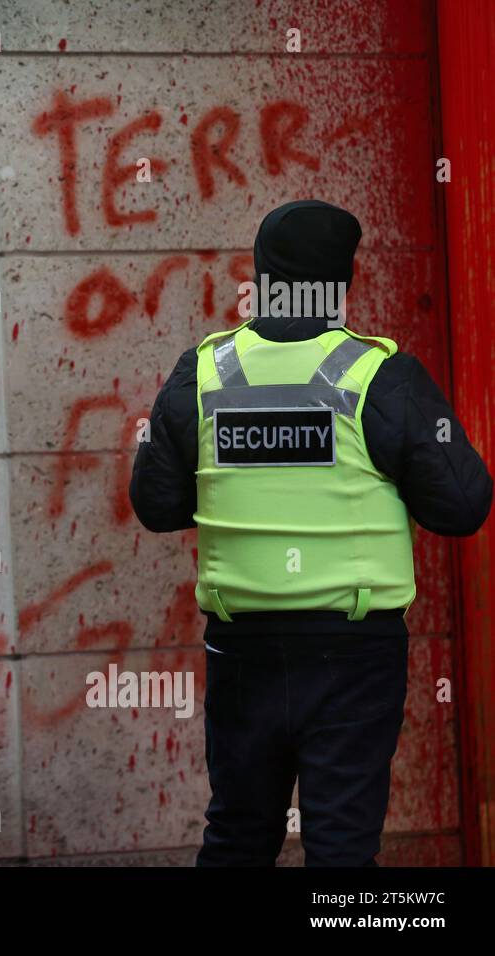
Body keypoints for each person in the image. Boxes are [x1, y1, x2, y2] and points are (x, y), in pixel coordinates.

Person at [128, 199, 492, 866]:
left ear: (262, 276)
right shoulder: (378, 375)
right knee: (342, 847)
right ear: (343, 281)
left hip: (241, 651)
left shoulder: (204, 372)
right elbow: (462, 505)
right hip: (353, 654)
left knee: (237, 834)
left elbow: (156, 504)